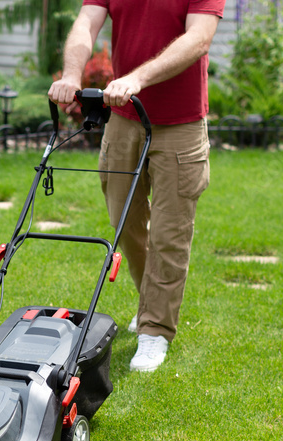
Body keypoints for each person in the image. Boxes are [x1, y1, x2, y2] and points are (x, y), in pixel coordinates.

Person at [49, 0, 223, 372]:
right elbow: (86, 21)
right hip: (124, 120)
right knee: (124, 224)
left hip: (181, 124)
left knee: (169, 232)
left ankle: (155, 330)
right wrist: (71, 74)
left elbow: (199, 38)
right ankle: (150, 304)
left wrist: (138, 78)